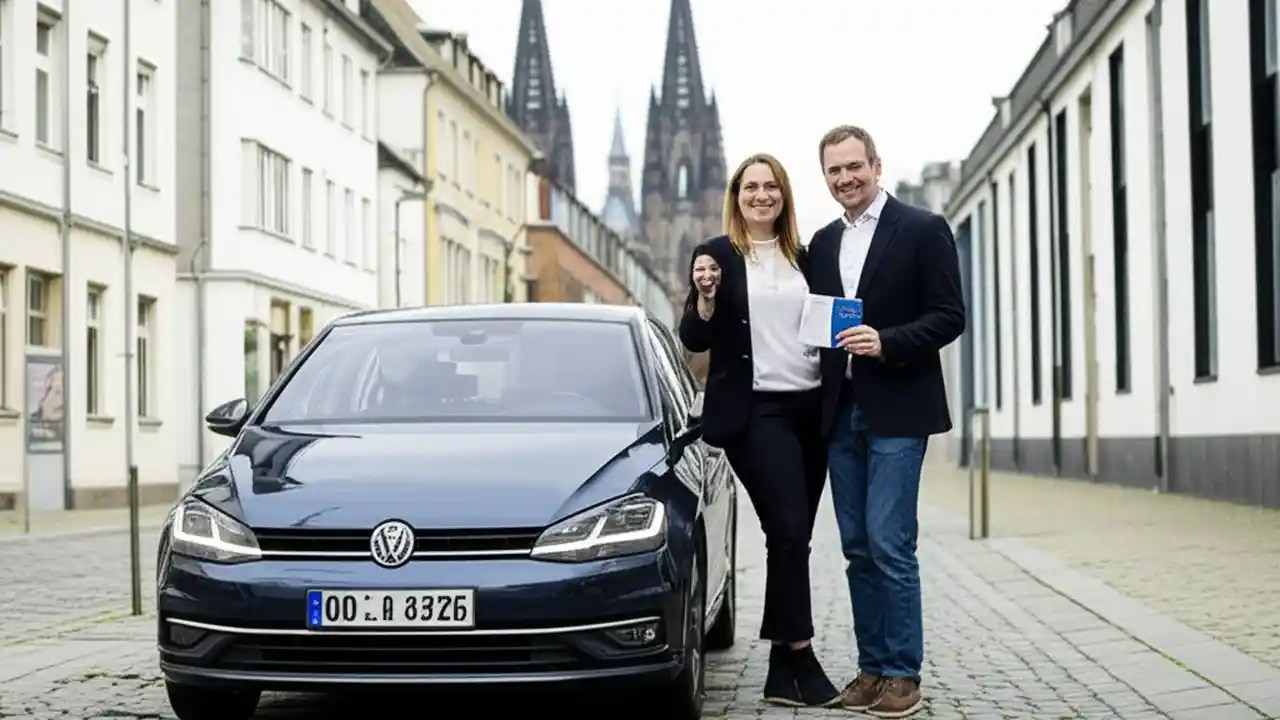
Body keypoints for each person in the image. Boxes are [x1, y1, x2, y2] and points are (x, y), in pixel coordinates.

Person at [806, 125, 965, 718]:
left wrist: (888, 340)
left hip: (899, 408)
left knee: (890, 542)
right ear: (825, 177)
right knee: (855, 547)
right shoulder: (821, 244)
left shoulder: (923, 229)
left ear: (876, 164)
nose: (846, 178)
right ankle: (871, 670)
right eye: (834, 171)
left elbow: (950, 316)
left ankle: (903, 674)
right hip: (840, 414)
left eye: (854, 166)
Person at [678, 153, 841, 708]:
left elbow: (831, 318)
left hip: (810, 411)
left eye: (771, 186)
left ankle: (780, 669)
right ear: (736, 196)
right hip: (756, 414)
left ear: (784, 195)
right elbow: (694, 338)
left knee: (791, 536)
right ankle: (802, 652)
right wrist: (705, 295)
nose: (761, 195)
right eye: (751, 187)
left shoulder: (807, 256)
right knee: (790, 528)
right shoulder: (717, 256)